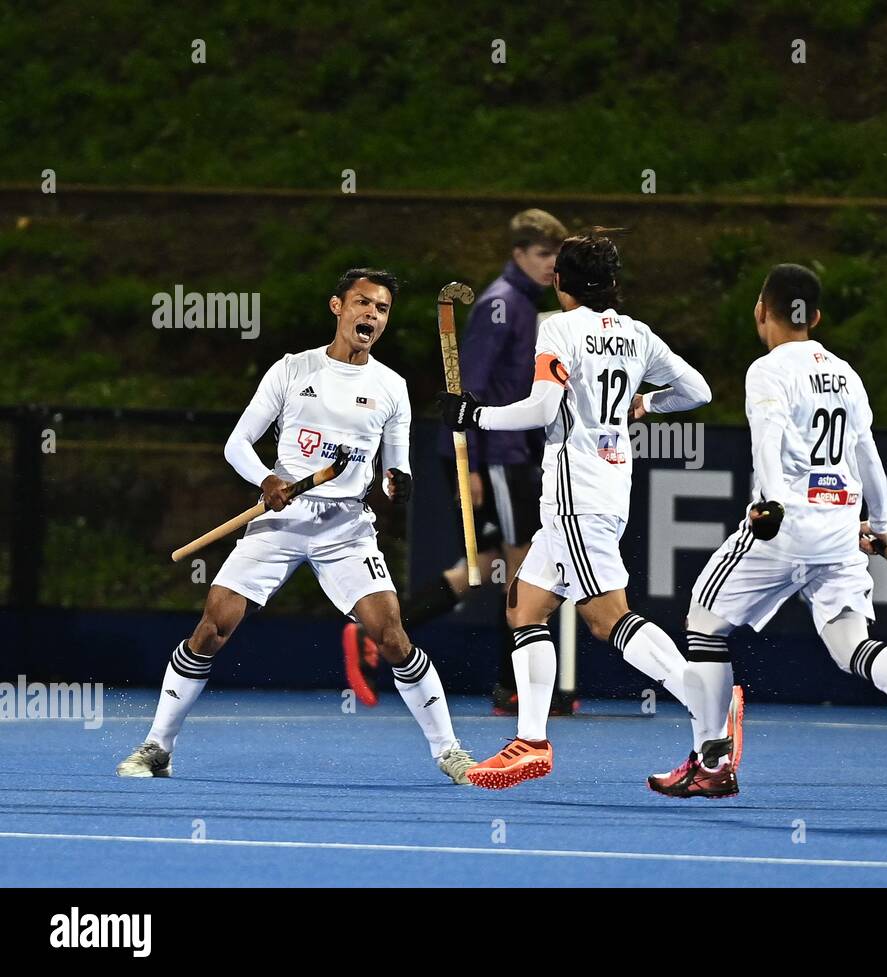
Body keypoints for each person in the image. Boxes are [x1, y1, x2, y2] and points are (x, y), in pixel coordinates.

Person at [117, 269, 475, 785]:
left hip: (347, 526)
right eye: (362, 303)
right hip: (280, 519)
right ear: (337, 306)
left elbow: (398, 470)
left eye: (381, 309)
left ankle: (450, 752)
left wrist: (400, 483)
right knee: (212, 628)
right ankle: (158, 746)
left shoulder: (390, 386)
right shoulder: (291, 370)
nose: (371, 315)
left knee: (392, 636)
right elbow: (236, 445)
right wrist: (266, 480)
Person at [648, 264, 887, 799]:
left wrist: (768, 504)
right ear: (816, 317)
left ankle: (711, 762)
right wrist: (878, 525)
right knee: (853, 644)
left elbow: (767, 439)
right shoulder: (846, 374)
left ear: (761, 311)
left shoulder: (767, 370)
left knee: (703, 623)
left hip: (783, 527)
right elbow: (868, 457)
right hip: (838, 529)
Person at [438, 233, 713, 789]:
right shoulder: (638, 335)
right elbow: (698, 391)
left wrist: (475, 416)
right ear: (611, 285)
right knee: (524, 604)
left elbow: (542, 407)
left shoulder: (558, 329)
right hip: (607, 487)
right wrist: (646, 402)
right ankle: (531, 742)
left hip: (575, 495)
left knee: (606, 618)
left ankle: (709, 712)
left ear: (560, 282)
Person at [342, 210, 571, 715]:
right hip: (494, 457)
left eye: (555, 255)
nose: (551, 264)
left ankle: (371, 635)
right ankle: (515, 689)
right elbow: (470, 386)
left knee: (479, 570)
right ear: (520, 254)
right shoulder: (502, 303)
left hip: (499, 455)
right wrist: (471, 466)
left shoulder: (520, 303)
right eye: (543, 254)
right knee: (521, 570)